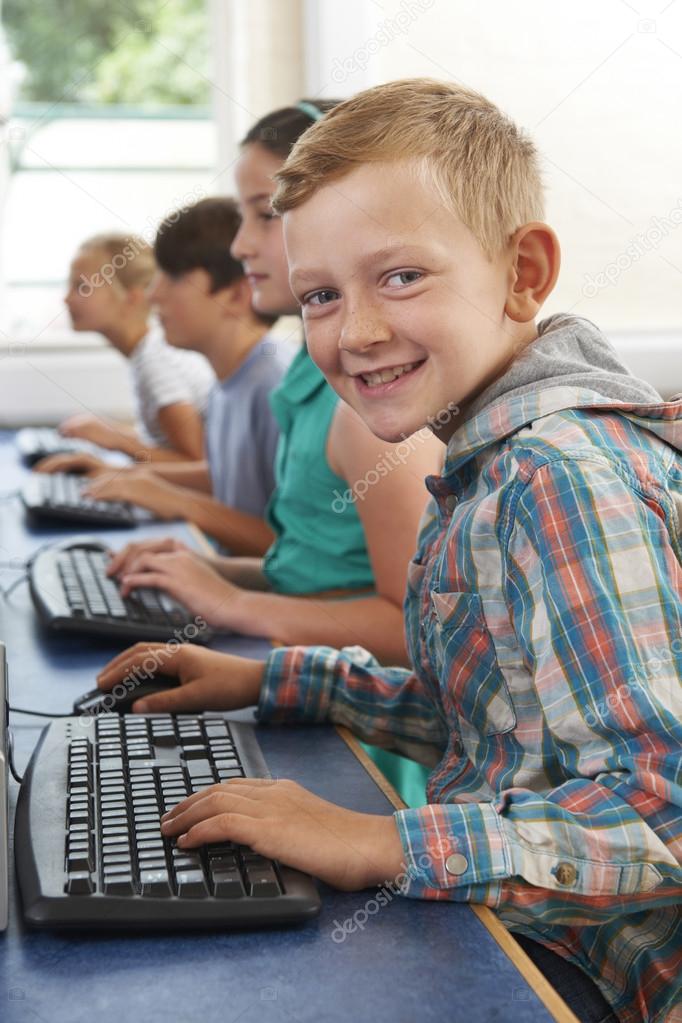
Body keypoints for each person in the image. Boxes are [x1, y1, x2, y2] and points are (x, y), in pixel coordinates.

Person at [98, 80, 682, 1023]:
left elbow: (662, 818)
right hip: (529, 929)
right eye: (322, 294)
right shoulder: (488, 461)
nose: (357, 331)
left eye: (401, 276)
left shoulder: (557, 475)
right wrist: (267, 681)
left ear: (523, 272)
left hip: (599, 976)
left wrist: (382, 841)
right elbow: (497, 724)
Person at [101, 102, 442, 681]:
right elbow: (316, 575)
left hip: (360, 733)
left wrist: (235, 603)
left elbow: (409, 630)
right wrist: (217, 572)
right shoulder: (308, 376)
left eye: (264, 215)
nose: (239, 246)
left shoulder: (369, 404)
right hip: (303, 674)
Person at [39, 199, 289, 557]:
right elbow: (222, 477)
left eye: (171, 277)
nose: (153, 295)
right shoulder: (228, 382)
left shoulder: (275, 386)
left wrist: (177, 501)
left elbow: (291, 549)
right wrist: (129, 477)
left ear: (236, 293)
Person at [50, 233, 215, 462]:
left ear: (132, 298)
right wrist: (109, 432)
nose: (66, 299)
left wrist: (116, 439)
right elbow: (163, 443)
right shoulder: (146, 352)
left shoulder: (155, 361)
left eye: (82, 286)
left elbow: (195, 463)